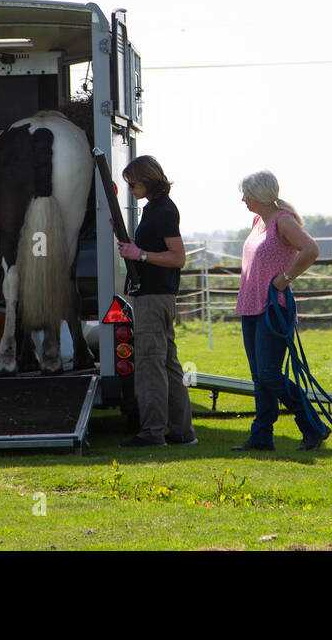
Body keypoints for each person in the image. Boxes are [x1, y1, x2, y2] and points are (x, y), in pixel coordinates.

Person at [233, 170, 328, 452]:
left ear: (260, 195)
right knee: (260, 377)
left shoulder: (282, 222)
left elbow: (310, 249)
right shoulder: (257, 221)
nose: (243, 199)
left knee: (270, 375)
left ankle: (313, 426)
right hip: (251, 307)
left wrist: (284, 279)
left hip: (272, 309)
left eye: (247, 194)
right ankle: (261, 436)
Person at [116, 156, 197, 447]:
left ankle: (151, 433)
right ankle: (181, 431)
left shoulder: (161, 211)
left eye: (133, 183)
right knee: (168, 364)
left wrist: (141, 256)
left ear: (146, 179)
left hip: (153, 297)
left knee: (150, 363)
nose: (131, 188)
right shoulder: (156, 208)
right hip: (159, 296)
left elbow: (178, 257)